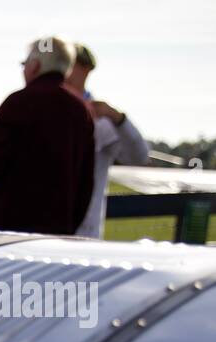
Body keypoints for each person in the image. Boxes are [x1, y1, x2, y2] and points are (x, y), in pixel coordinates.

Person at [0, 37, 96, 234]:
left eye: (24, 63)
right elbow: (86, 182)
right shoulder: (81, 111)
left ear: (35, 66)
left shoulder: (17, 103)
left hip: (7, 232)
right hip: (58, 232)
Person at [65, 44, 149, 238]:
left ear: (86, 69)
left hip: (84, 234)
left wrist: (117, 118)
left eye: (70, 63)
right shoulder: (45, 111)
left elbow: (139, 157)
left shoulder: (103, 121)